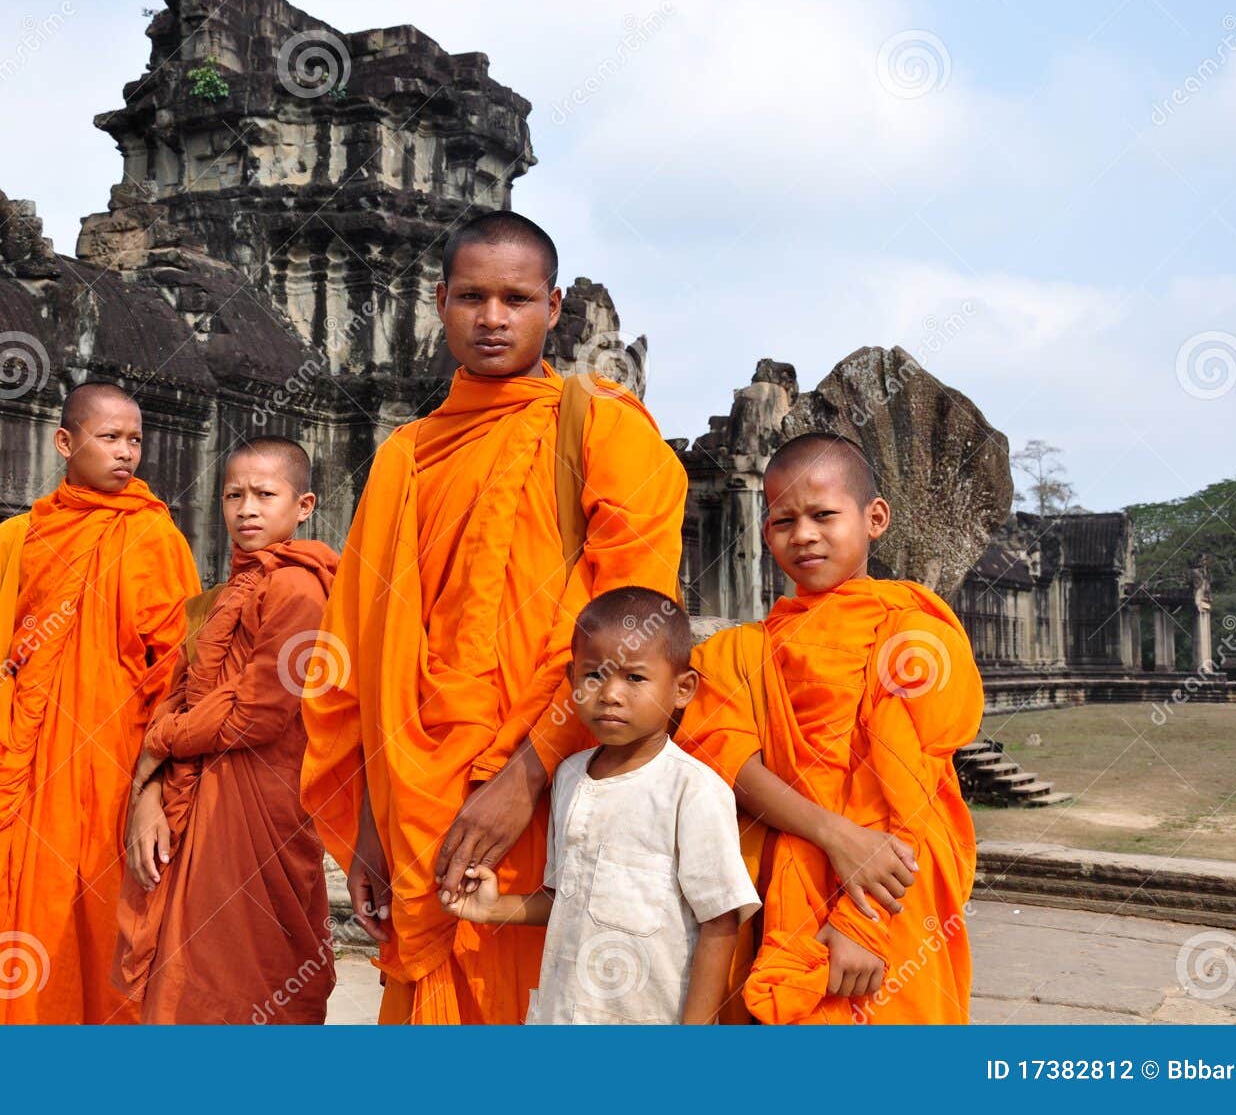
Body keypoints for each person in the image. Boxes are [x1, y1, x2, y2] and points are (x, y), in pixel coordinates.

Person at [300, 210, 687, 1024]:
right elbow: (366, 655)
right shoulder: (406, 456)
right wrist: (371, 822)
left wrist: (522, 777)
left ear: (554, 307)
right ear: (440, 301)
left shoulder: (602, 428)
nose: (493, 318)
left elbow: (641, 629)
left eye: (517, 298)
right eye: (472, 296)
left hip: (562, 784)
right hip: (418, 804)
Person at [676, 432, 983, 1024]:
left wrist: (860, 923)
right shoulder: (739, 654)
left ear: (874, 519)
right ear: (765, 532)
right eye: (783, 521)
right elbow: (725, 763)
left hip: (889, 901)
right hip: (777, 898)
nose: (803, 535)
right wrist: (835, 835)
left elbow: (912, 797)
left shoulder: (915, 638)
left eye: (823, 515)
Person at [0, 382, 200, 1024]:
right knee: (22, 898)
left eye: (135, 440)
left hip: (115, 761)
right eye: (110, 438)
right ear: (65, 442)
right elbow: (0, 660)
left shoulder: (153, 534)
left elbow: (178, 670)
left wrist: (156, 785)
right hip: (28, 757)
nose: (126, 452)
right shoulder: (27, 536)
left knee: (105, 907)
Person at [440, 586, 759, 1024]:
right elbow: (568, 899)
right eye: (594, 675)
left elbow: (720, 920)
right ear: (571, 679)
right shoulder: (569, 778)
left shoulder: (692, 790)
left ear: (683, 689)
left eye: (635, 678)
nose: (610, 694)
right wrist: (492, 908)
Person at [111, 436, 338, 1024]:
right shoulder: (220, 596)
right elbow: (180, 692)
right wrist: (149, 790)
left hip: (261, 800)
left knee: (244, 966)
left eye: (265, 495)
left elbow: (259, 712)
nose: (247, 509)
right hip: (198, 791)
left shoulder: (300, 588)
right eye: (233, 495)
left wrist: (159, 745)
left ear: (304, 506)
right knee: (187, 964)